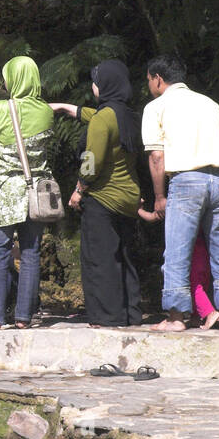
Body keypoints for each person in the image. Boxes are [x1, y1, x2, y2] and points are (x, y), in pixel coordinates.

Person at [140, 55, 219, 331]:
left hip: (186, 182)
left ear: (158, 79)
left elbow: (157, 157)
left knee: (177, 251)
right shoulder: (210, 104)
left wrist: (159, 197)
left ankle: (176, 318)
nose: (149, 85)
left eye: (149, 80)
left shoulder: (156, 107)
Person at [49, 59, 143, 327]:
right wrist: (65, 108)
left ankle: (106, 316)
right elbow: (97, 116)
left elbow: (92, 160)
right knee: (124, 256)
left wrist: (79, 190)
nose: (93, 86)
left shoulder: (104, 119)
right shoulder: (129, 116)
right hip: (129, 198)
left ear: (104, 86)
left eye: (96, 81)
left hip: (103, 198)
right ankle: (130, 314)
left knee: (100, 259)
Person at [0, 56, 55, 330]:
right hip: (35, 194)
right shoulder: (46, 111)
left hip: (4, 195)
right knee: (31, 253)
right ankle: (24, 317)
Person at [139, 205, 219, 329]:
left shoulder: (182, 214)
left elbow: (154, 216)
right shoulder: (201, 214)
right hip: (204, 255)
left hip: (193, 257)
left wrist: (138, 210)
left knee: (193, 286)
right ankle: (196, 318)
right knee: (201, 284)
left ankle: (209, 312)